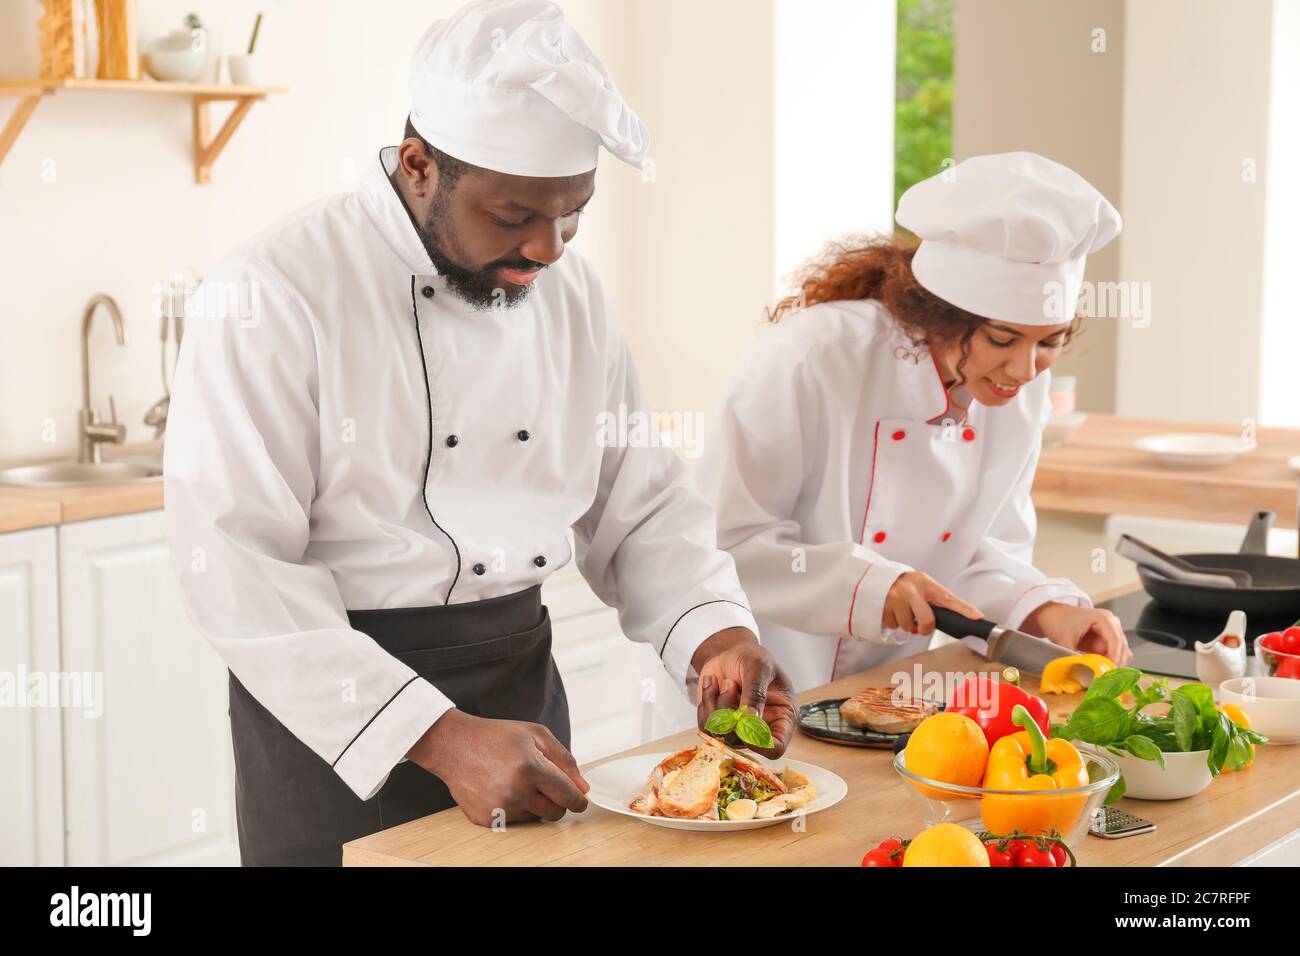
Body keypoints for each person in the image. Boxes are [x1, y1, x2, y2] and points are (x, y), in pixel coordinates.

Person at [164, 0, 793, 866]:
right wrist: (439, 735)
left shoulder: (574, 298)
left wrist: (713, 632)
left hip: (519, 690)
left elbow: (640, 504)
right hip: (340, 716)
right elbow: (239, 568)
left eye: (573, 214)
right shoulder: (275, 292)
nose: (549, 248)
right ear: (419, 166)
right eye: (513, 217)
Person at [696, 151, 1133, 692]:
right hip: (747, 681)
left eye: (1051, 341)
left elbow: (984, 546)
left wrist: (1045, 611)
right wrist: (872, 585)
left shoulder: (1019, 385)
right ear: (941, 314)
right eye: (1002, 339)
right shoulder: (812, 357)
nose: (1023, 370)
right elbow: (725, 543)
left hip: (882, 690)